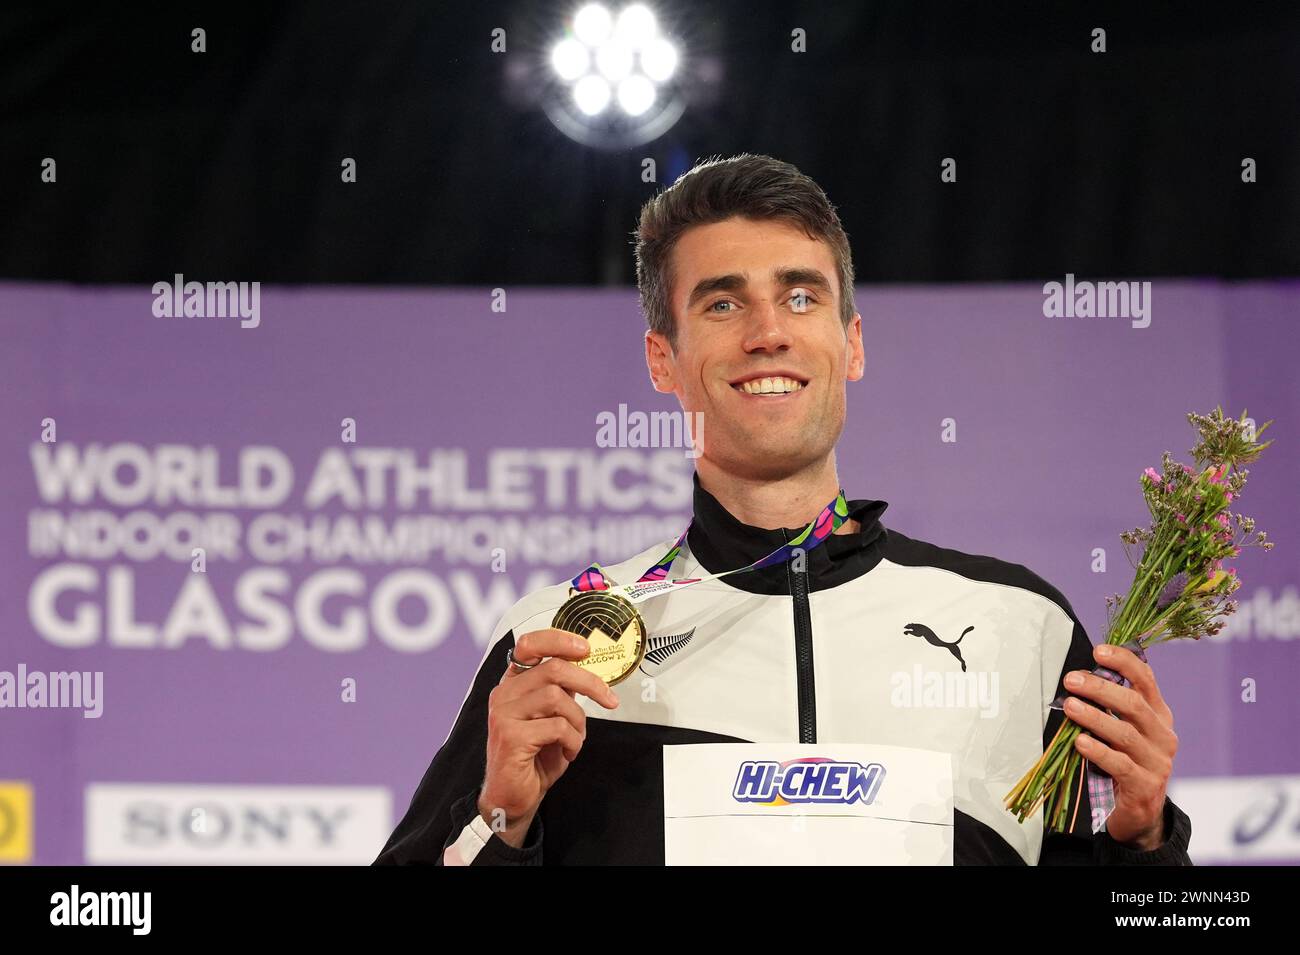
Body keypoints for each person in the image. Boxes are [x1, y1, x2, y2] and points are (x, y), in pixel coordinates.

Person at [375, 153, 1191, 865]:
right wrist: (500, 822)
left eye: (801, 298)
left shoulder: (1024, 626)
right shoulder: (558, 643)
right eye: (723, 304)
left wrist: (1145, 841)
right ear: (664, 358)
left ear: (854, 342)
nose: (768, 332)